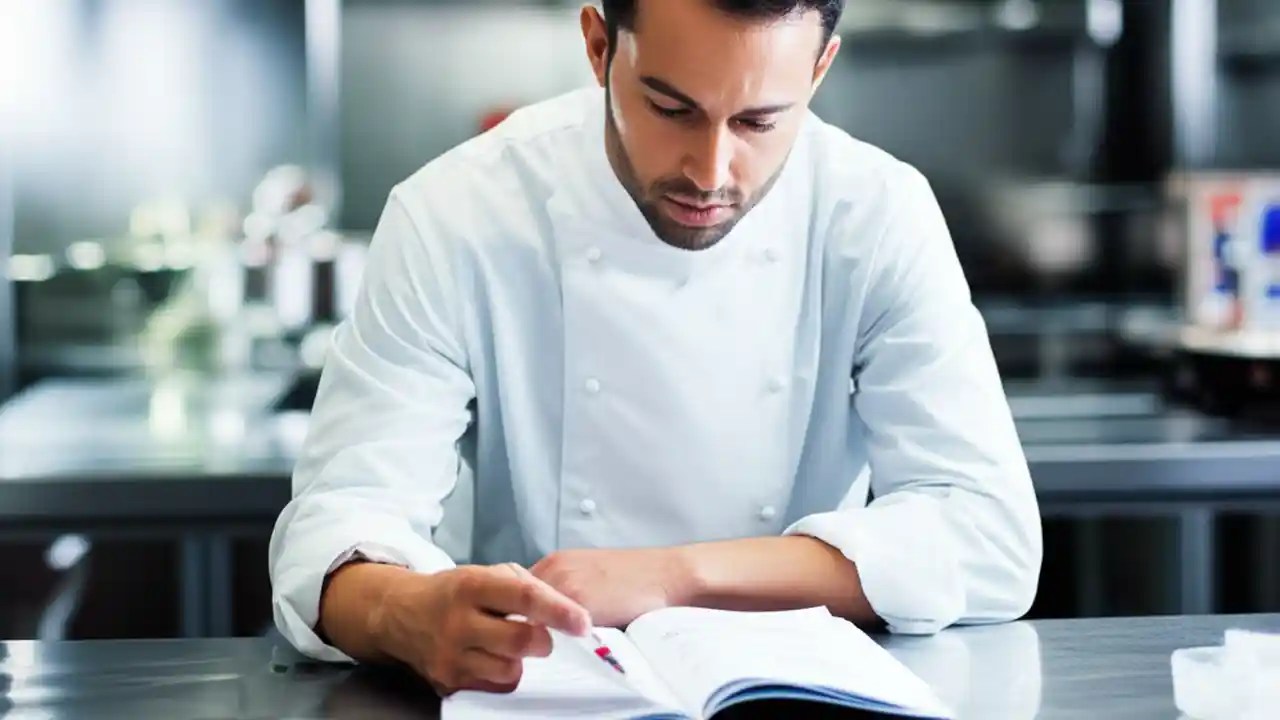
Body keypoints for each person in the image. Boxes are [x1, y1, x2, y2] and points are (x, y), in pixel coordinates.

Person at [269, 0, 1042, 696]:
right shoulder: (457, 214)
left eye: (760, 122)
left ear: (820, 68)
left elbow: (987, 534)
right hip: (534, 690)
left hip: (799, 692)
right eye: (671, 108)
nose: (710, 173)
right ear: (600, 46)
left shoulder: (875, 214)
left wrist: (671, 576)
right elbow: (338, 521)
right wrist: (411, 612)